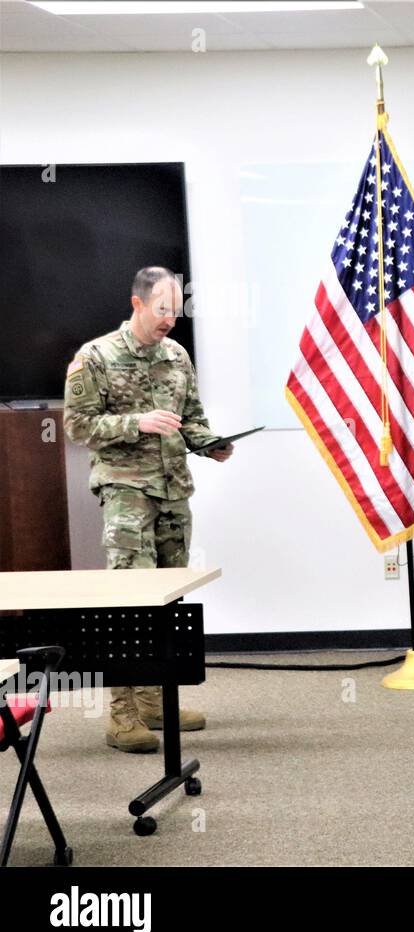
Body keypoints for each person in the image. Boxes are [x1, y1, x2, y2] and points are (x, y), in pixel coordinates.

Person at [63, 266, 233, 753]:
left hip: (174, 490)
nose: (170, 321)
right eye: (163, 310)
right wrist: (138, 422)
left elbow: (191, 418)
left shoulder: (177, 355)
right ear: (137, 304)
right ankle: (121, 714)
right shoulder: (95, 357)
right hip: (126, 493)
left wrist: (210, 444)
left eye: (176, 312)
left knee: (166, 599)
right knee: (127, 602)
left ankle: (157, 701)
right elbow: (76, 426)